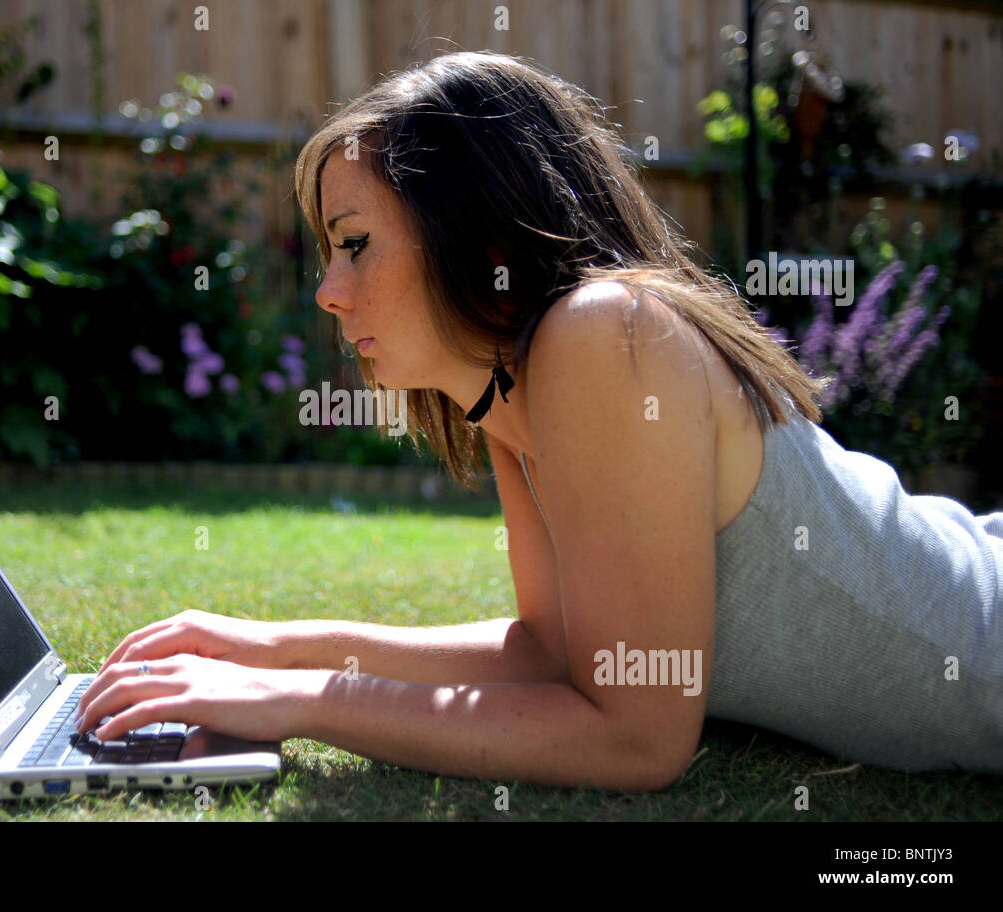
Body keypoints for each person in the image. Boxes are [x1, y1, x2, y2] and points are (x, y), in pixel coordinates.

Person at [74, 51, 1003, 791]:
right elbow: (553, 652)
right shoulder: (513, 385)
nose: (326, 291)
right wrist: (264, 648)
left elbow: (637, 736)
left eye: (354, 245)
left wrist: (306, 698)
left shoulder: (607, 334)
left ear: (480, 237)